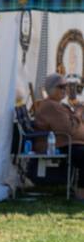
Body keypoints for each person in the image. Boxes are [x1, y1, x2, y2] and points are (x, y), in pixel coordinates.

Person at [32, 72, 84, 200]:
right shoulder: (51, 106)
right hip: (61, 144)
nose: (65, 89)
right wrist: (78, 112)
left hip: (70, 142)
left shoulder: (60, 105)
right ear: (51, 89)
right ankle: (81, 191)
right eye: (61, 86)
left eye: (66, 86)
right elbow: (68, 130)